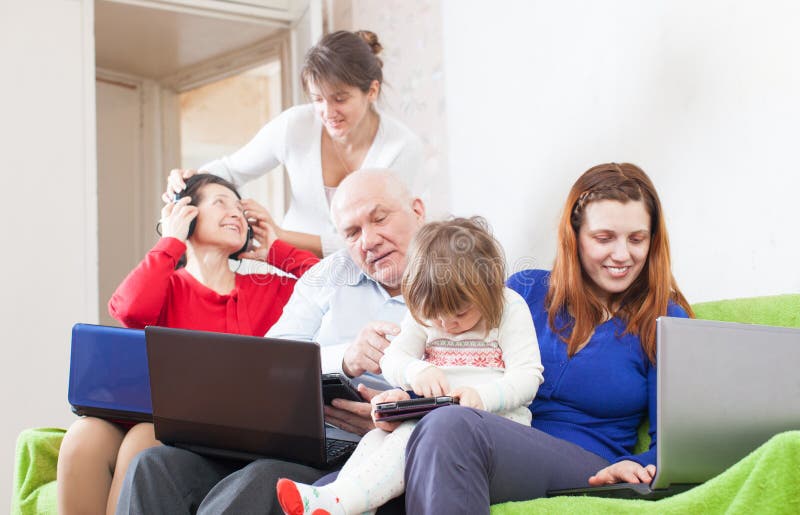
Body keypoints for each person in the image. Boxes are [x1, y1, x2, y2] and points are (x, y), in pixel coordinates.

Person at [116, 169, 426, 514]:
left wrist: (397, 424)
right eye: (351, 233)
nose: (368, 241)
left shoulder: (456, 279)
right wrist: (344, 359)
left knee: (261, 481)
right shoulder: (330, 275)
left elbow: (473, 390)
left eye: (379, 219)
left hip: (369, 454)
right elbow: (272, 361)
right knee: (154, 466)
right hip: (292, 440)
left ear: (417, 210)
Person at [401, 163, 694, 513]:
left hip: (589, 469)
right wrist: (403, 403)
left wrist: (640, 467)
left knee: (450, 428)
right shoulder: (524, 291)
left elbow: (677, 446)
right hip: (497, 446)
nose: (622, 255)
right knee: (344, 487)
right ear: (574, 237)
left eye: (636, 239)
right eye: (604, 239)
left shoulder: (664, 319)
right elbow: (455, 360)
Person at [57, 174, 319, 515]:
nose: (236, 213)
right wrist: (171, 241)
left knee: (143, 439)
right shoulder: (166, 283)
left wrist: (277, 250)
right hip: (160, 415)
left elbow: (328, 285)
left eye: (240, 208)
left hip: (217, 432)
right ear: (186, 214)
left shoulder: (267, 286)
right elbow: (129, 309)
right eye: (221, 202)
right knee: (83, 437)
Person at [276, 217, 544, 515]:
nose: (446, 325)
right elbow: (393, 357)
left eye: (459, 314)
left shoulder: (509, 307)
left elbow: (528, 377)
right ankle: (343, 502)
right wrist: (417, 371)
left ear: (488, 288)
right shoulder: (425, 312)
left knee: (411, 435)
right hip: (434, 419)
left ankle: (338, 503)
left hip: (497, 427)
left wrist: (483, 397)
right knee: (377, 437)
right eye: (435, 316)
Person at [164, 30, 424, 258]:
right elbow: (231, 170)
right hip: (290, 270)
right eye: (318, 99)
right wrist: (190, 179)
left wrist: (281, 235)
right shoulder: (295, 125)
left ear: (372, 91)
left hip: (365, 276)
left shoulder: (400, 148)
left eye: (340, 99)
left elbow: (381, 237)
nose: (327, 111)